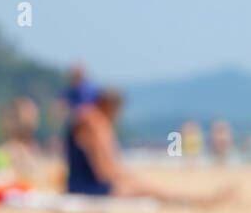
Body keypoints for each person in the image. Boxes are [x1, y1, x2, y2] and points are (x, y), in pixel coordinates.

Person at [65, 88, 230, 205]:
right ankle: (197, 199)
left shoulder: (87, 119)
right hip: (87, 188)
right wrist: (124, 176)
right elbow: (103, 171)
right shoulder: (96, 124)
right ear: (111, 107)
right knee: (148, 190)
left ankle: (197, 198)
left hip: (78, 183)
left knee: (144, 187)